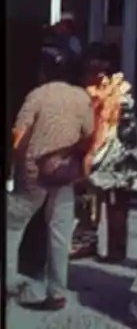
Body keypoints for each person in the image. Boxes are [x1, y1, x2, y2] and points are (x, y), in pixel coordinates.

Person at [6, 43, 94, 311]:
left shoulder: (37, 95)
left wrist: (17, 164)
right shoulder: (81, 97)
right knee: (60, 232)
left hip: (34, 171)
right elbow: (89, 134)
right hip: (65, 172)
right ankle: (56, 293)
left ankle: (7, 281)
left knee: (12, 226)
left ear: (44, 70)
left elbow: (18, 134)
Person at [83, 43, 137, 263]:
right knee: (116, 204)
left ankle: (98, 245)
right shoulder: (122, 89)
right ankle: (114, 248)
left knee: (105, 199)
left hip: (113, 152)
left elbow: (103, 125)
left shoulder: (108, 91)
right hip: (124, 154)